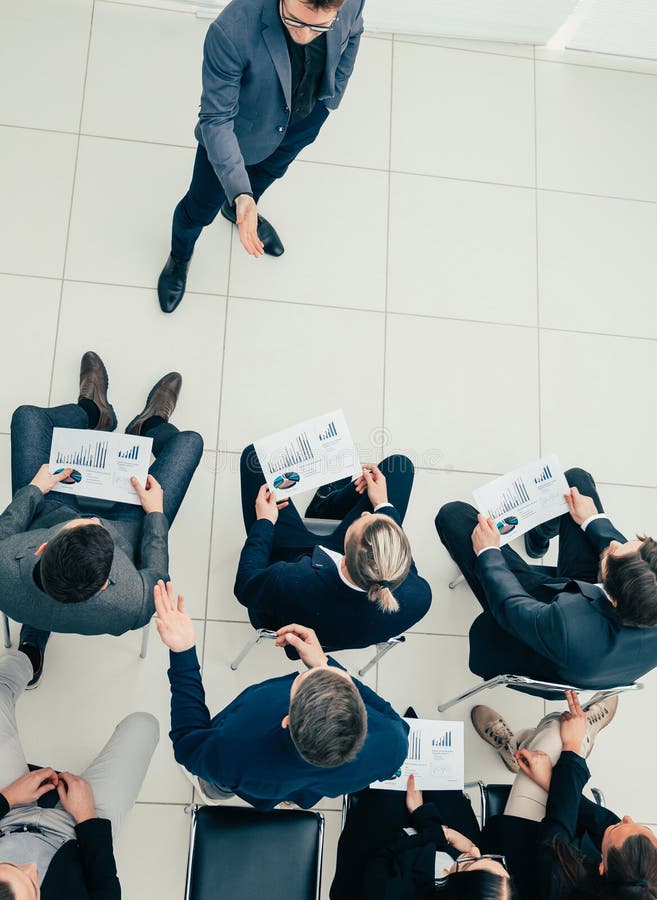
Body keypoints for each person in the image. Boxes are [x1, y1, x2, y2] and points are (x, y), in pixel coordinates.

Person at [0, 351, 203, 686]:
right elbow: (155, 569)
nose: (95, 518)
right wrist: (154, 513)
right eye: (96, 528)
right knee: (190, 442)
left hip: (51, 508)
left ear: (42, 548)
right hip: (132, 522)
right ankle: (149, 427)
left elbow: (6, 528)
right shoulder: (136, 604)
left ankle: (93, 412)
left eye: (85, 526)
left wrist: (36, 489)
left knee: (27, 417)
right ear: (107, 582)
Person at [157, 0, 366, 313]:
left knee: (266, 177)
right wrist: (240, 192)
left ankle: (237, 210)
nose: (305, 35)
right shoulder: (231, 31)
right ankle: (179, 257)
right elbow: (216, 120)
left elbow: (355, 31)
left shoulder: (351, 3)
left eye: (319, 27)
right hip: (237, 140)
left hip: (300, 125)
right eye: (295, 21)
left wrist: (330, 100)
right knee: (197, 210)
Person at [154, 579, 409, 810]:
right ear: (362, 714)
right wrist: (322, 662)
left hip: (248, 776)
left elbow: (188, 743)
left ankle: (211, 792)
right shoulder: (393, 744)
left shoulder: (234, 750)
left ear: (287, 720)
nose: (319, 668)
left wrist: (183, 651)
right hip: (303, 785)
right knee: (297, 784)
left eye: (304, 677)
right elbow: (393, 719)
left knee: (216, 784)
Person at [435, 467, 657, 687]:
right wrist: (592, 520)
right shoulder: (644, 596)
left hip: (540, 620)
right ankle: (538, 538)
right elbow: (632, 567)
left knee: (453, 516)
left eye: (613, 552)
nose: (614, 543)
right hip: (585, 606)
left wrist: (488, 552)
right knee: (575, 481)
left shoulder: (568, 625)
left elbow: (511, 606)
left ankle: (495, 549)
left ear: (615, 597)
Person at [234, 449, 432, 651]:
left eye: (363, 521)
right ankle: (323, 507)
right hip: (336, 602)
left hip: (296, 561)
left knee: (254, 457)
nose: (366, 514)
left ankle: (324, 504)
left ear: (347, 552)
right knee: (399, 466)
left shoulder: (290, 579)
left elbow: (245, 585)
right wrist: (383, 505)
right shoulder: (419, 597)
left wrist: (264, 522)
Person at [0, 648, 159, 899]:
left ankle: (27, 658)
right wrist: (86, 817)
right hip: (74, 833)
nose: (30, 866)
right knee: (144, 726)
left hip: (7, 817)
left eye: (11, 867)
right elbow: (105, 888)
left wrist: (8, 797)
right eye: (32, 885)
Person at [331, 772, 515, 900]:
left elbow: (387, 853)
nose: (475, 851)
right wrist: (426, 818)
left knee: (393, 781)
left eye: (469, 863)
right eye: (487, 857)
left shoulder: (389, 892)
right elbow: (452, 851)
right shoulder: (464, 871)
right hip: (429, 847)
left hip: (380, 858)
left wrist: (443, 832)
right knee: (442, 780)